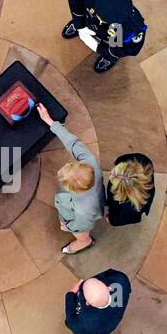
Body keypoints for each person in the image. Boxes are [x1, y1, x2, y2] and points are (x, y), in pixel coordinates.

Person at [36, 102, 103, 254]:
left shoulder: (85, 208)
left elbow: (82, 224)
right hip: (73, 209)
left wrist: (68, 226)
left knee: (81, 234)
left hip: (75, 219)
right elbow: (72, 142)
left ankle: (85, 242)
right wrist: (51, 122)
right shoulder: (89, 162)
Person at [62, 0, 147, 73]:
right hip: (90, 18)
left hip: (115, 33)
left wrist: (99, 48)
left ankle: (110, 57)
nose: (101, 21)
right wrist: (80, 24)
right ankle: (83, 24)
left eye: (105, 20)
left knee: (114, 46)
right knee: (87, 18)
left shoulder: (133, 29)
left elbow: (130, 49)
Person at [65, 270, 131, 334]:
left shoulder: (85, 323)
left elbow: (71, 322)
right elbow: (110, 273)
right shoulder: (121, 280)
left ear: (88, 303)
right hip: (114, 319)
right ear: (108, 288)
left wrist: (70, 294)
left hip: (99, 330)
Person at [105, 153, 155, 226]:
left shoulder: (130, 208)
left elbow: (118, 220)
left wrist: (110, 219)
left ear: (125, 191)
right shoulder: (143, 161)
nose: (110, 174)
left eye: (113, 180)